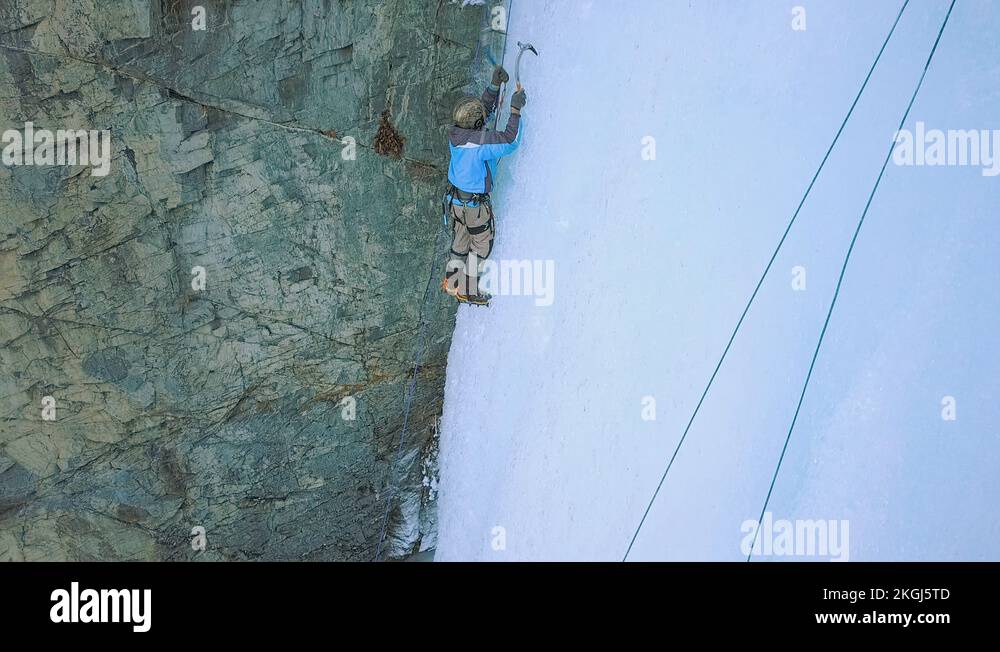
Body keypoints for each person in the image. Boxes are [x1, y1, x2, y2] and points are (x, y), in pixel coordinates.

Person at [442, 65, 526, 305]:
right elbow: (510, 140)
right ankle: (468, 289)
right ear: (477, 126)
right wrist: (515, 110)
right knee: (481, 245)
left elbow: (481, 114)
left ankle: (452, 281)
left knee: (460, 241)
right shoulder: (480, 144)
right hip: (475, 208)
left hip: (455, 202)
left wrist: (493, 86)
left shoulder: (456, 135)